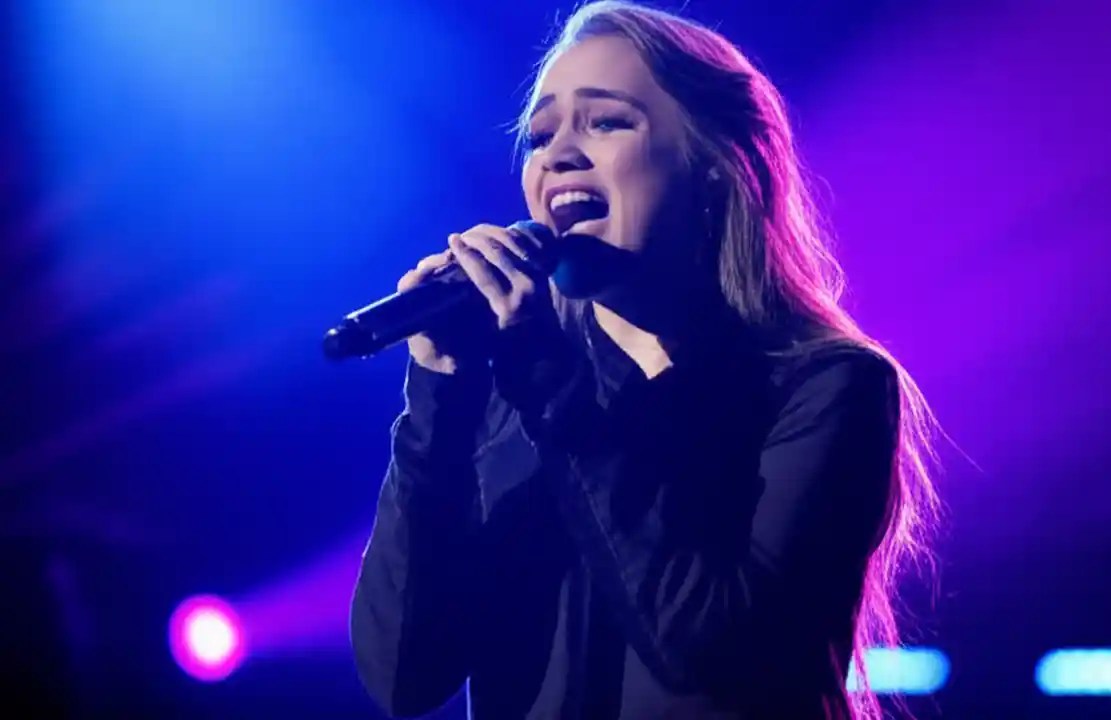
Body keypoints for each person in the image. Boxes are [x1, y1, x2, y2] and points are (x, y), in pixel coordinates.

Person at [350, 2, 940, 718]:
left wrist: (551, 392)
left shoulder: (823, 388)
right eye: (541, 136)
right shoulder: (511, 399)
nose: (559, 153)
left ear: (716, 166)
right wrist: (440, 399)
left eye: (606, 121)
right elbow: (405, 672)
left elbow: (717, 655)